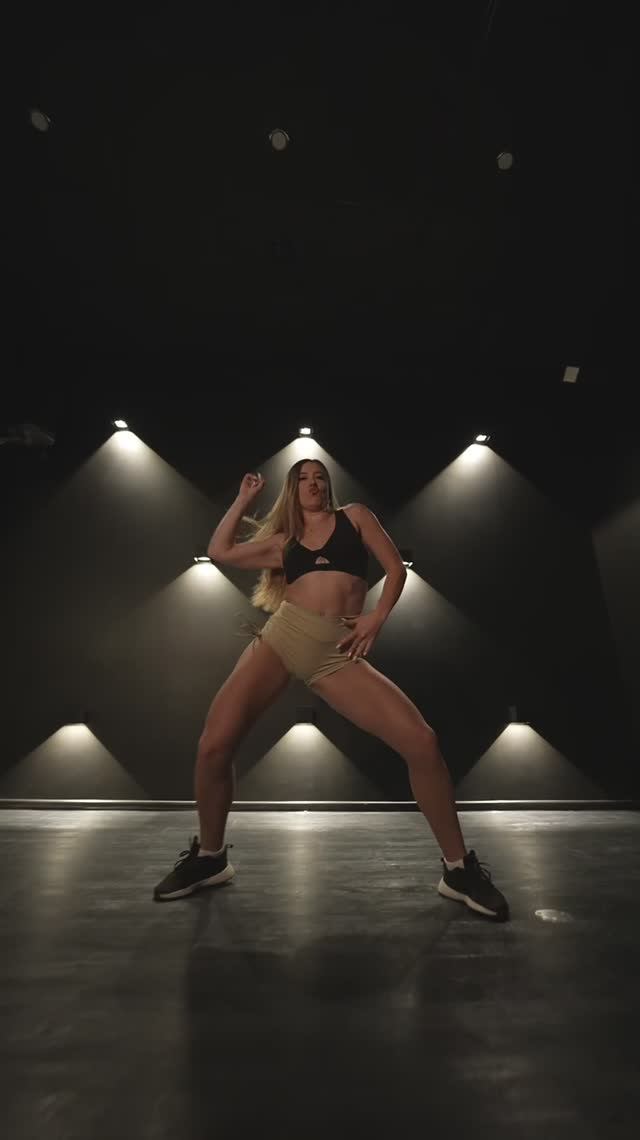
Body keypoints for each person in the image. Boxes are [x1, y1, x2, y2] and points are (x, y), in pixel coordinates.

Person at [154, 459, 509, 921]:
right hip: (282, 637)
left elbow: (395, 570)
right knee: (213, 746)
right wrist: (243, 499)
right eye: (303, 478)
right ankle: (210, 857)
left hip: (334, 652)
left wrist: (376, 618)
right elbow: (220, 550)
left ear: (329, 485)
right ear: (292, 489)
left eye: (320, 476)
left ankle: (458, 870)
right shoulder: (284, 541)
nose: (313, 483)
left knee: (422, 742)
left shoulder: (354, 517)